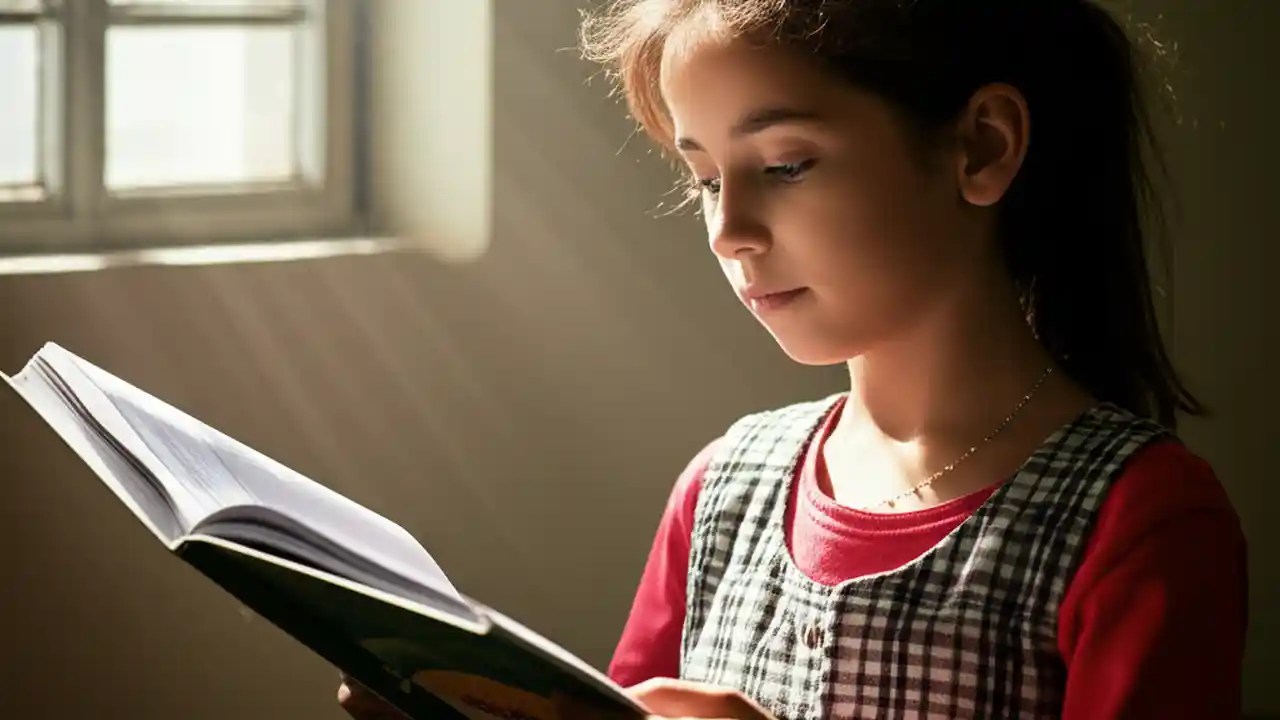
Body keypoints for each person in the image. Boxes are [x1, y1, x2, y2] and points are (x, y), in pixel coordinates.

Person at [341, 1, 1247, 717]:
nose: (729, 231)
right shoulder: (722, 487)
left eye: (786, 164)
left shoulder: (1140, 520)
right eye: (703, 178)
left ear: (982, 146)